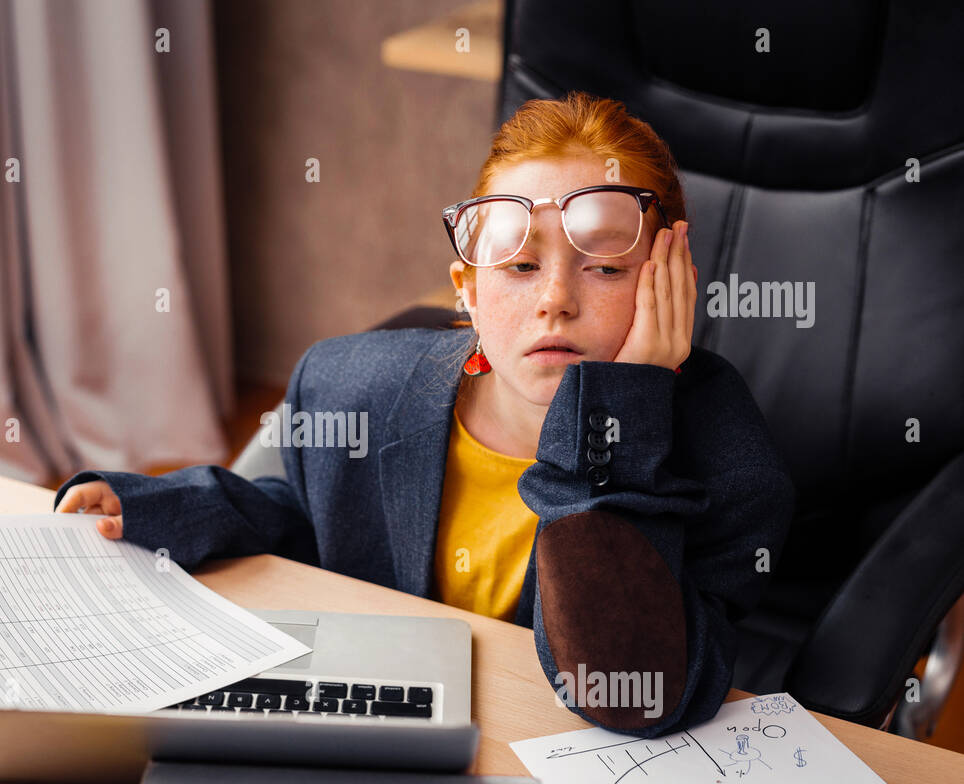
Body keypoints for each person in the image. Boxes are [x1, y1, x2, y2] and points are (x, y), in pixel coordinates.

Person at [54, 91, 796, 737]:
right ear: (466, 291)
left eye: (604, 265)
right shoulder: (351, 388)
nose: (555, 299)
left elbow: (630, 692)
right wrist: (157, 510)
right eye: (519, 265)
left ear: (674, 282)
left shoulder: (731, 456)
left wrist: (623, 412)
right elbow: (307, 517)